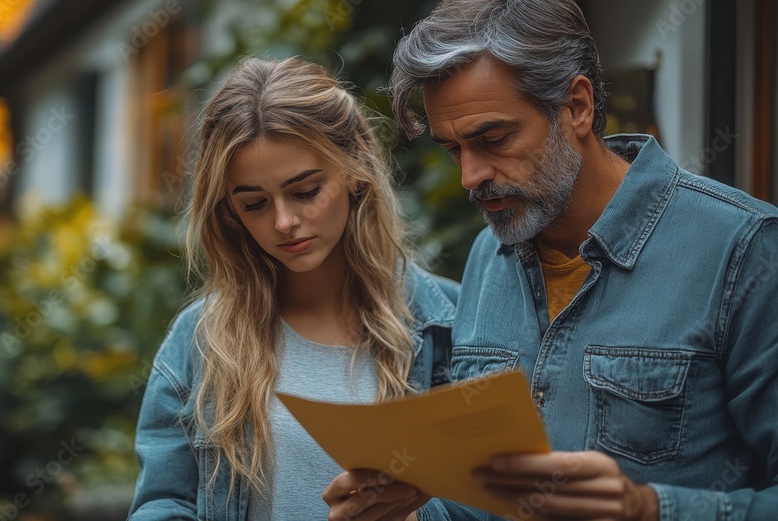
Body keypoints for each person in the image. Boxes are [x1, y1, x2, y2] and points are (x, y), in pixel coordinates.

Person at [324, 1, 778, 520]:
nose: (471, 176)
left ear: (577, 107)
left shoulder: (742, 249)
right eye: (453, 149)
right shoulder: (486, 254)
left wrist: (647, 508)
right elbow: (491, 500)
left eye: (493, 139)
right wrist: (410, 507)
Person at [127, 56, 461, 521]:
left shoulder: (453, 322)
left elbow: (497, 498)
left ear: (354, 167)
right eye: (255, 203)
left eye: (305, 191)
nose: (284, 222)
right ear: (229, 211)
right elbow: (164, 503)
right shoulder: (198, 342)